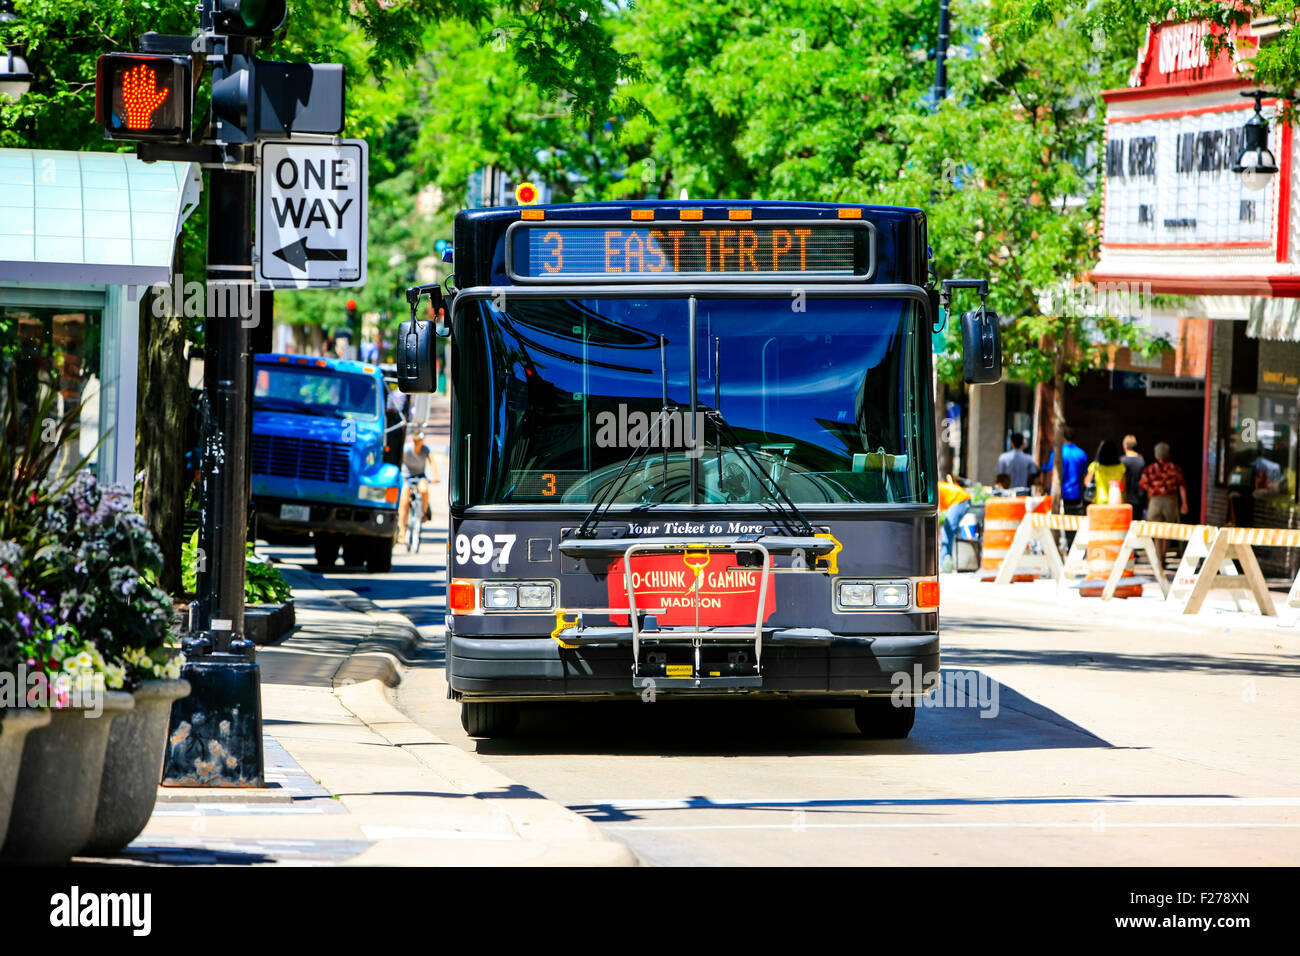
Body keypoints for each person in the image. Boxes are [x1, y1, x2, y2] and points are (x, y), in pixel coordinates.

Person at [1139, 442, 1189, 568]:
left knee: (1157, 531)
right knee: (1167, 530)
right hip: (1170, 501)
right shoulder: (1175, 469)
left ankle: (1157, 558)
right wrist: (1184, 503)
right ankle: (1163, 557)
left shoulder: (1150, 469)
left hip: (1155, 501)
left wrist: (1154, 488)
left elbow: (1143, 485)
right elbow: (1182, 486)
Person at [397, 431, 440, 541]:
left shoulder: (425, 449)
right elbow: (399, 460)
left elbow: (432, 462)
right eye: (417, 440)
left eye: (421, 440)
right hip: (406, 477)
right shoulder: (407, 448)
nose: (419, 442)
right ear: (414, 440)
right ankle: (402, 531)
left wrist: (435, 476)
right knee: (404, 501)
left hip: (420, 476)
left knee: (424, 490)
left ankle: (424, 513)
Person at [1042, 427, 1089, 515]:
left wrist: (1047, 489)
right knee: (1072, 524)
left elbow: (1050, 474)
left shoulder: (1057, 454)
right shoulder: (1081, 454)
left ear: (1062, 437)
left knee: (1055, 524)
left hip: (1057, 494)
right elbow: (1084, 476)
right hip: (1075, 494)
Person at [937, 476, 972, 574]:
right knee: (947, 531)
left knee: (947, 531)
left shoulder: (934, 489)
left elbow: (937, 513)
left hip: (960, 500)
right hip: (961, 500)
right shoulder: (937, 487)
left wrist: (937, 529)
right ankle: (945, 561)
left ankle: (944, 563)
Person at [1085, 439, 1126, 505]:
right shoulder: (1121, 467)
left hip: (1098, 502)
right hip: (1116, 502)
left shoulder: (1094, 466)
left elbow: (1087, 483)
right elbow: (1123, 488)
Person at [1119, 434, 1146, 512]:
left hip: (1125, 498)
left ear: (1125, 446)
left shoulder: (1121, 461)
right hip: (1139, 498)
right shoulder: (1141, 460)